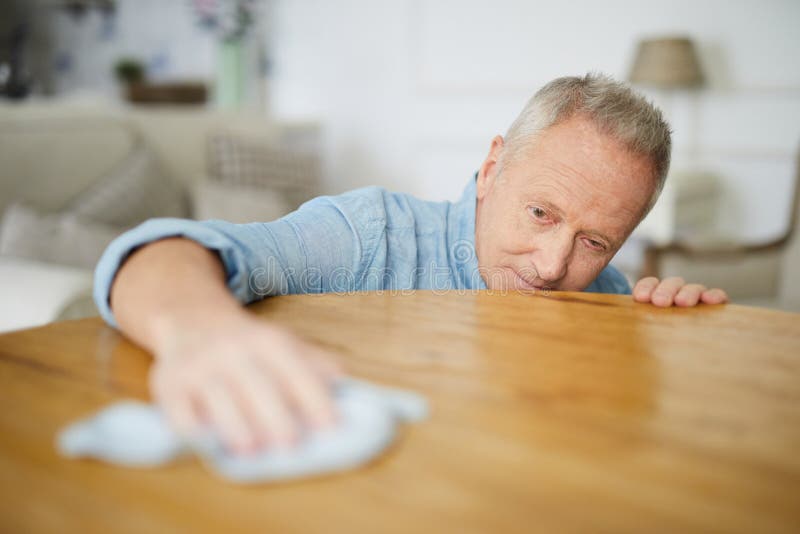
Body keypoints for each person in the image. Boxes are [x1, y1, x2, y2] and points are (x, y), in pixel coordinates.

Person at [94, 73, 727, 455]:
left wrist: (666, 333)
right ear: (490, 170)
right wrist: (200, 333)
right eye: (541, 213)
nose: (552, 263)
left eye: (596, 242)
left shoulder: (609, 292)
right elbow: (161, 253)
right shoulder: (374, 236)